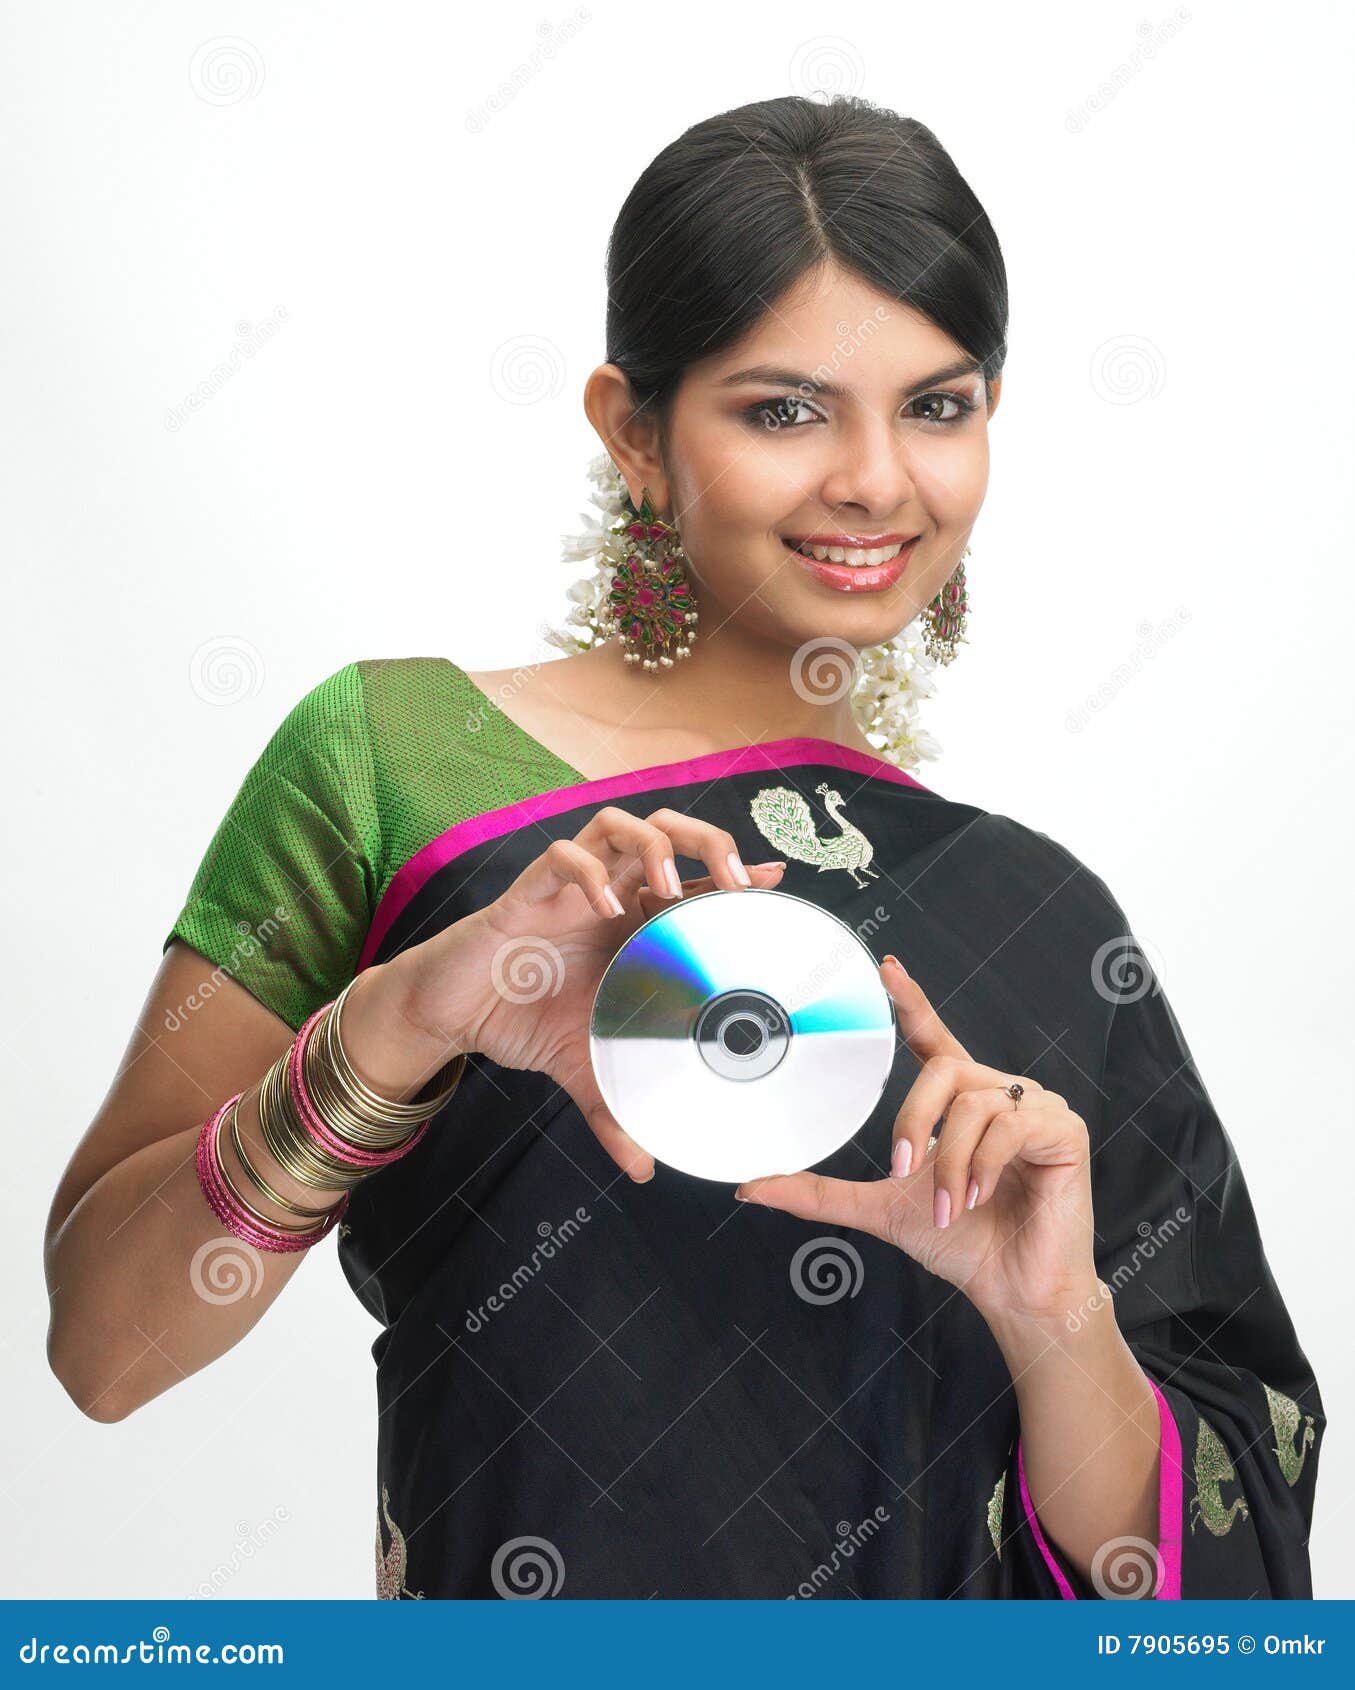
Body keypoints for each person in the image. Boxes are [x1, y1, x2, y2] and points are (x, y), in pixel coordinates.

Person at [45, 94, 1324, 1600]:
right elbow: (105, 1345)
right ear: (633, 431)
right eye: (784, 409)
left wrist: (1055, 1326)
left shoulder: (1039, 908)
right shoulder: (396, 765)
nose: (874, 478)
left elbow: (1211, 1573)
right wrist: (393, 1029)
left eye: (940, 402)